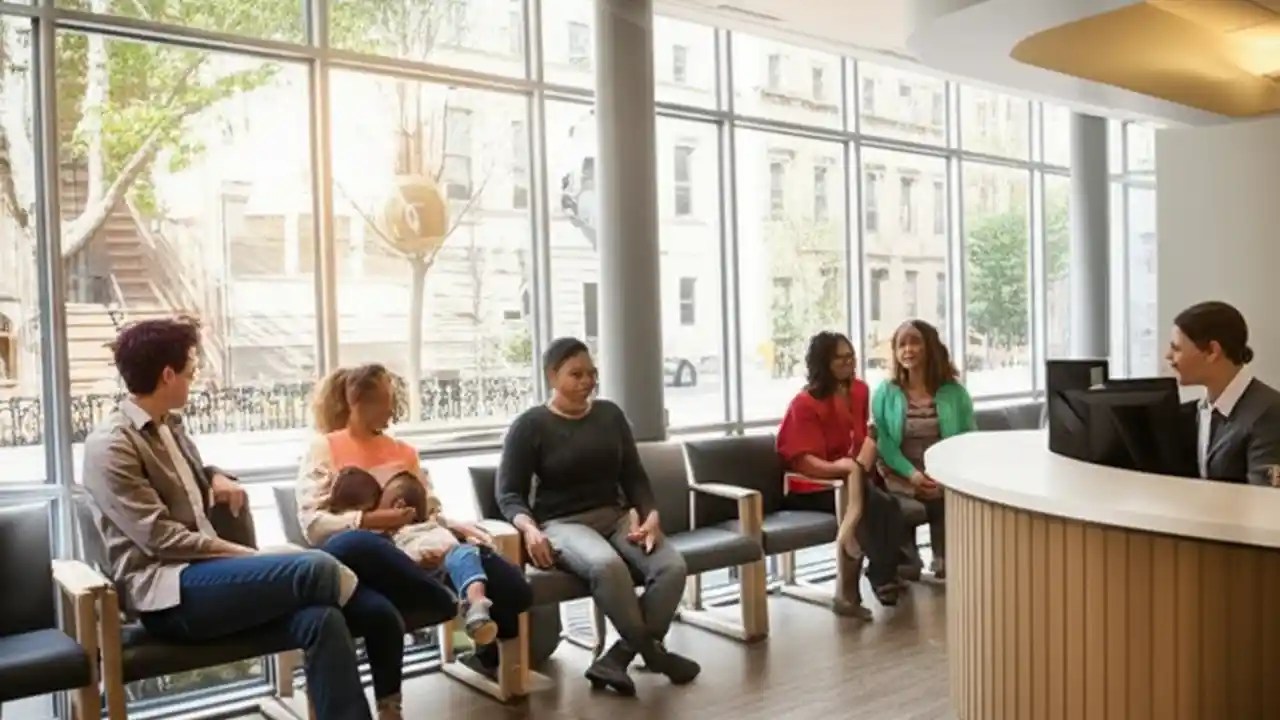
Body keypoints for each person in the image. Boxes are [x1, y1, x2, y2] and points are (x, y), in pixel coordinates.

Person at [82, 318, 374, 720]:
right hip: (167, 594)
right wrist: (241, 556)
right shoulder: (111, 446)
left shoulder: (169, 426)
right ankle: (383, 611)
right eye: (190, 371)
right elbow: (161, 540)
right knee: (317, 569)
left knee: (321, 619)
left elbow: (187, 476)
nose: (194, 379)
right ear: (167, 375)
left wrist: (215, 474)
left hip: (209, 577)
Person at [296, 363, 532, 701]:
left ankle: (465, 614)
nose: (393, 410)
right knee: (358, 543)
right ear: (356, 400)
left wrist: (449, 525)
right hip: (363, 553)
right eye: (385, 401)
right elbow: (314, 526)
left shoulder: (404, 452)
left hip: (418, 541)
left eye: (393, 400)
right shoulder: (325, 448)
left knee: (515, 590)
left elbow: (425, 509)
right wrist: (375, 520)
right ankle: (441, 596)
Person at [496, 338, 700, 696]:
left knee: (672, 567)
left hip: (616, 517)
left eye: (592, 373)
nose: (587, 381)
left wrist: (650, 516)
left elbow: (634, 476)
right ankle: (655, 656)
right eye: (576, 374)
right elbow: (508, 493)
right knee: (608, 567)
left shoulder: (610, 415)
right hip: (562, 524)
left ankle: (619, 657)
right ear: (551, 376)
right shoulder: (530, 425)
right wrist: (528, 529)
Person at [776, 331, 906, 615]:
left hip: (855, 480)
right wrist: (842, 470)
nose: (848, 363)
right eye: (840, 359)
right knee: (873, 503)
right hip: (813, 487)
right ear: (824, 362)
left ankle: (881, 573)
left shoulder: (859, 390)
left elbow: (860, 438)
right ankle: (872, 583)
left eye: (851, 357)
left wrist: (861, 463)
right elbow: (804, 461)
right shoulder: (805, 403)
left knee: (888, 504)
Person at [326, 466, 498, 644]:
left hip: (446, 555)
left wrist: (470, 537)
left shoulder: (427, 522)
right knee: (459, 556)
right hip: (417, 563)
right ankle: (466, 606)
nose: (377, 511)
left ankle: (477, 604)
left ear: (398, 505)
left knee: (467, 553)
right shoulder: (383, 536)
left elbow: (447, 526)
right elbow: (392, 558)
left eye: (382, 502)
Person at [872, 319, 975, 580]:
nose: (908, 349)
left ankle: (944, 557)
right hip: (900, 474)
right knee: (913, 498)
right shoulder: (886, 392)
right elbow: (883, 442)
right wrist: (912, 475)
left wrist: (943, 475)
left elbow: (967, 438)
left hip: (943, 474)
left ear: (929, 346)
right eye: (901, 344)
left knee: (941, 494)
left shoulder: (955, 393)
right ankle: (907, 558)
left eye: (915, 342)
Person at [1166, 300, 1280, 485]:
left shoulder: (1270, 413)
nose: (1168, 357)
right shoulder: (1200, 411)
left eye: (1176, 348)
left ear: (1212, 351)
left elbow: (1267, 497)